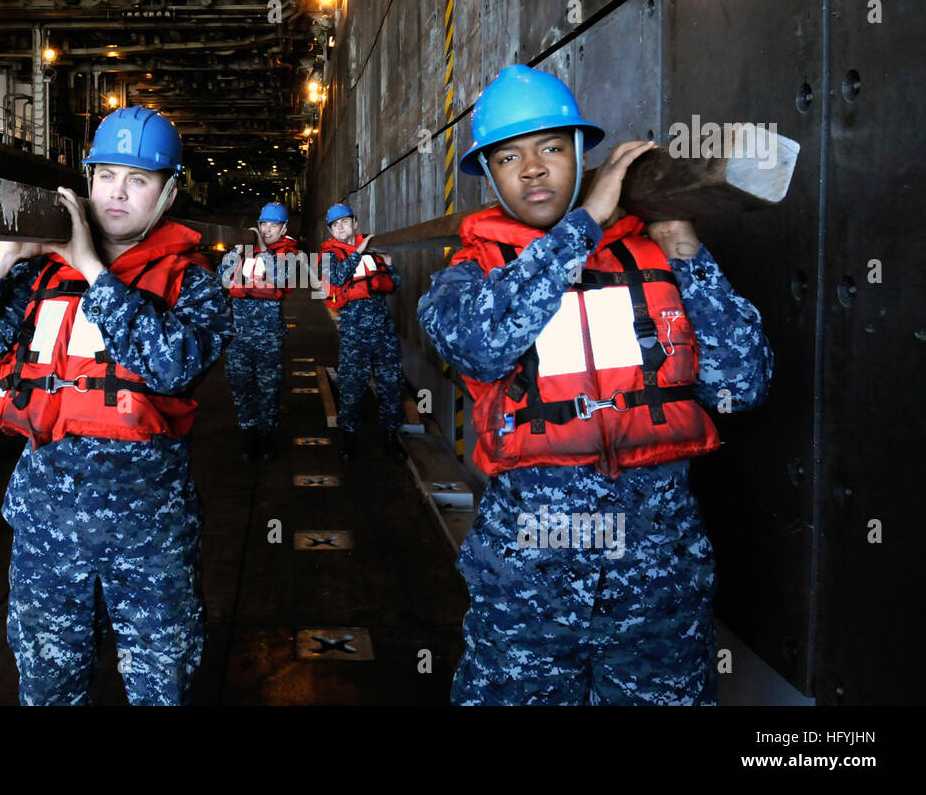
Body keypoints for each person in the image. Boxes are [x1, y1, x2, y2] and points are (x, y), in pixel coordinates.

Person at [417, 64, 774, 705]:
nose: (532, 169)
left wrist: (683, 249)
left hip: (656, 579)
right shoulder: (466, 281)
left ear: (581, 155)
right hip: (529, 582)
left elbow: (741, 383)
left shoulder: (658, 260)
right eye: (509, 157)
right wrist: (584, 225)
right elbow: (480, 343)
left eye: (551, 148)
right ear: (492, 176)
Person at [0, 106, 233, 705]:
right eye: (106, 176)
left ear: (168, 194)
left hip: (149, 534)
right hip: (48, 528)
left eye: (139, 180)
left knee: (161, 688)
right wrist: (2, 259)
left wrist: (92, 269)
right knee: (49, 688)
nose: (118, 193)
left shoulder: (192, 281)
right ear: (87, 179)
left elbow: (174, 365)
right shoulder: (34, 277)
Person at [320, 203, 407, 462]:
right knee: (352, 386)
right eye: (335, 225)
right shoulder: (329, 256)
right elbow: (336, 279)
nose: (340, 227)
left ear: (355, 223)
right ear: (331, 230)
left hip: (383, 331)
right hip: (354, 333)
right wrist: (358, 251)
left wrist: (389, 266)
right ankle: (349, 437)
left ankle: (391, 436)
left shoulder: (373, 251)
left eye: (345, 222)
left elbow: (394, 286)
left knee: (391, 385)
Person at [218, 202, 299, 461]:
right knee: (241, 384)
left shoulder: (289, 255)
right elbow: (221, 278)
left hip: (268, 335)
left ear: (283, 228)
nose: (266, 230)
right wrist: (236, 252)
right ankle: (248, 433)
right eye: (263, 224)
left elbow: (280, 278)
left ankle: (267, 436)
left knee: (269, 388)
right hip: (239, 332)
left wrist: (262, 250)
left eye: (273, 225)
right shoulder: (242, 251)